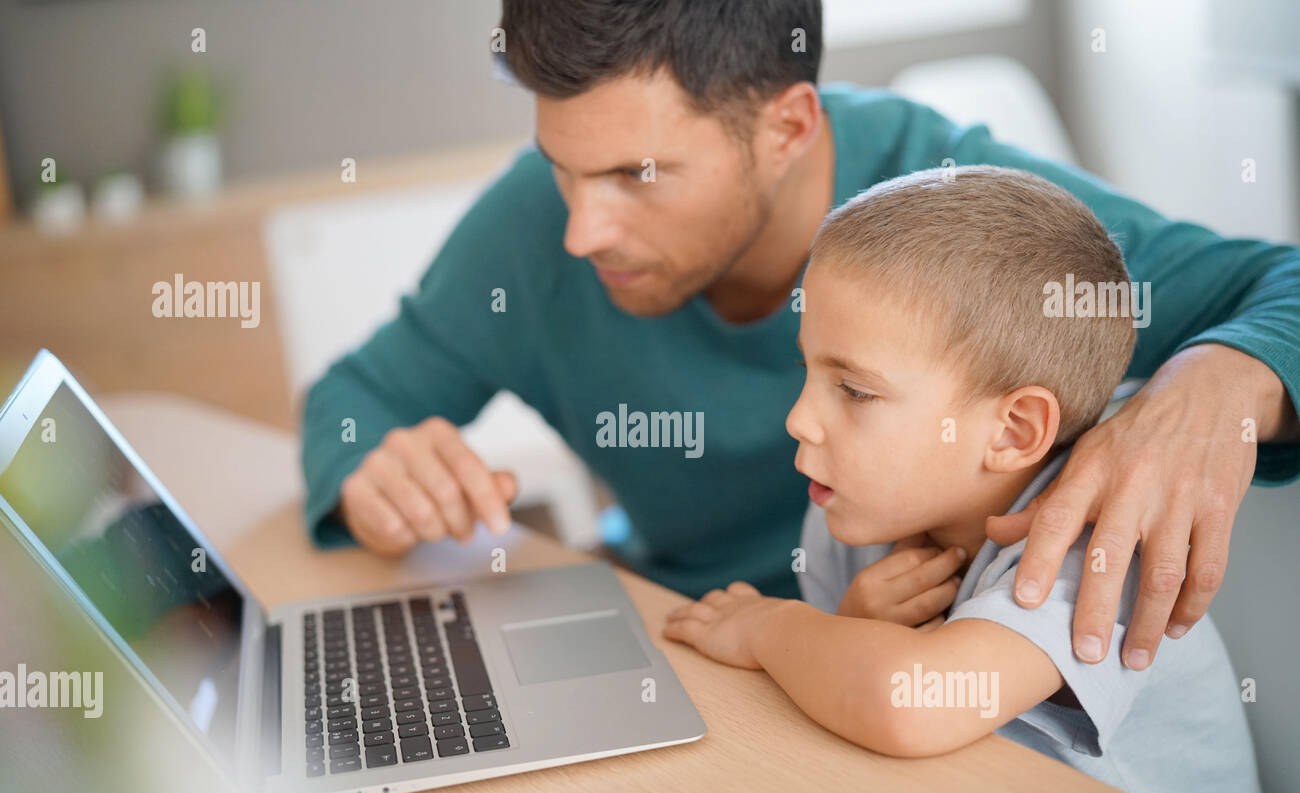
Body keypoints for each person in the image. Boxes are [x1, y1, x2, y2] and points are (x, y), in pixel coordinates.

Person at [300, 0, 1300, 672]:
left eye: (635, 176)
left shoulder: (964, 210)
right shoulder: (532, 229)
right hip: (688, 651)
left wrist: (1211, 386)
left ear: (787, 127)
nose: (578, 231)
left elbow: (1278, 284)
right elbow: (353, 400)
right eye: (561, 166)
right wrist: (369, 470)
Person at [662, 165, 1268, 793]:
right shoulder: (855, 513)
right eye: (808, 372)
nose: (800, 419)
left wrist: (771, 627)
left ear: (1012, 432)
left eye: (855, 391)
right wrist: (853, 631)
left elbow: (915, 703)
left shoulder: (1093, 550)